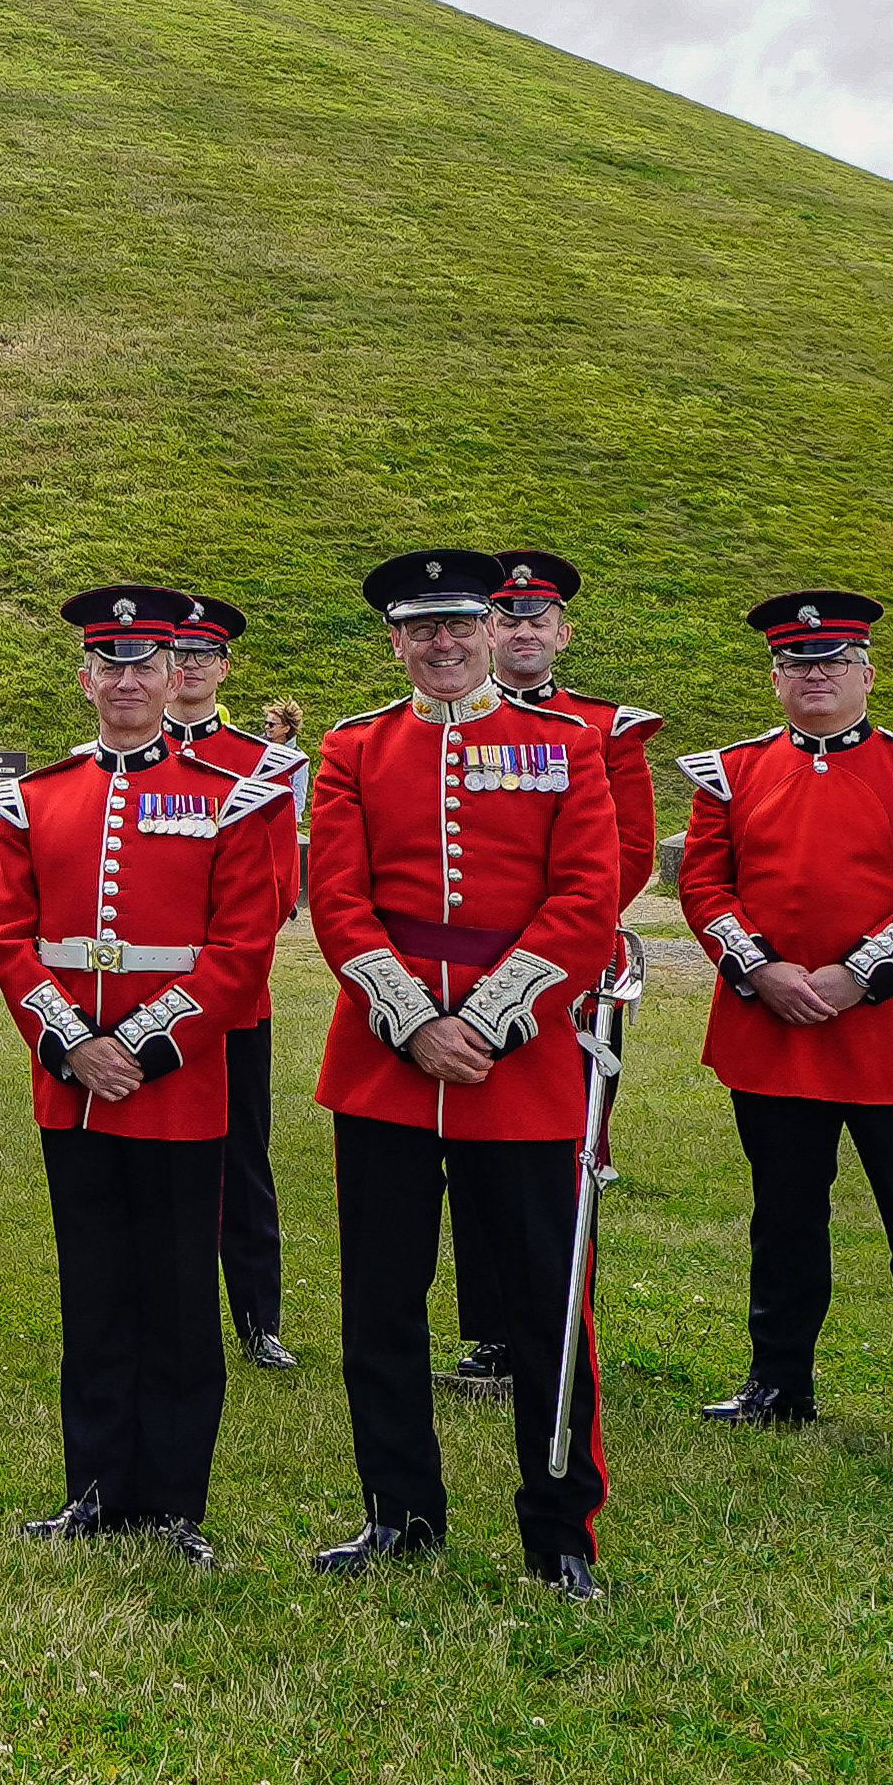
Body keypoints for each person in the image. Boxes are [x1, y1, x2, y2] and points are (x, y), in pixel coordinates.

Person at [302, 551, 625, 1601]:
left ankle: (559, 1526)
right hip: (387, 1064)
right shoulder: (353, 749)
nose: (441, 646)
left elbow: (586, 899)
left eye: (459, 625)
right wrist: (411, 1022)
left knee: (543, 1306)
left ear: (494, 630)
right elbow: (338, 899)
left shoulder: (564, 746)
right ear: (394, 643)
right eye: (419, 630)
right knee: (381, 1304)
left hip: (518, 1061)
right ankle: (398, 1512)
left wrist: (484, 1021)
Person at [0, 587, 298, 1568]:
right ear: (84, 679)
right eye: (106, 665)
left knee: (179, 1299)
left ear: (171, 677)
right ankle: (95, 1489)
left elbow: (239, 951)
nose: (124, 681)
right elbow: (8, 935)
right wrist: (73, 1043)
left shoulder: (227, 796)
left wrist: (140, 1047)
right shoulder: (35, 797)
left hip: (177, 1084)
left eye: (141, 665)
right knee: (95, 1292)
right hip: (71, 1087)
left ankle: (171, 1502)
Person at [681, 589, 893, 1464]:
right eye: (795, 665)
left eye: (829, 663)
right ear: (774, 678)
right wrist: (760, 967)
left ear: (865, 671)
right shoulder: (731, 772)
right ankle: (778, 1381)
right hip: (770, 1027)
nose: (812, 676)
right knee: (781, 1214)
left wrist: (858, 971)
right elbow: (704, 885)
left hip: (885, 1033)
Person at [437, 549, 667, 1397]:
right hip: (456, 976)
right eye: (507, 614)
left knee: (562, 1156)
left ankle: (557, 1324)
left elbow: (627, 858)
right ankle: (492, 1332)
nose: (523, 628)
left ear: (562, 632)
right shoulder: (445, 723)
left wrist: (542, 949)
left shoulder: (603, 729)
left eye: (539, 616)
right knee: (469, 1149)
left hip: (566, 977)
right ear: (483, 630)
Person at [154, 594, 300, 1374]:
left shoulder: (263, 763)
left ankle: (255, 1315)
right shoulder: (126, 757)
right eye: (175, 655)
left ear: (223, 667)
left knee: (242, 1156)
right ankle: (169, 1305)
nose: (189, 667)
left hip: (234, 997)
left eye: (203, 655)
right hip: (138, 999)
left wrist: (212, 968)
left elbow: (275, 889)